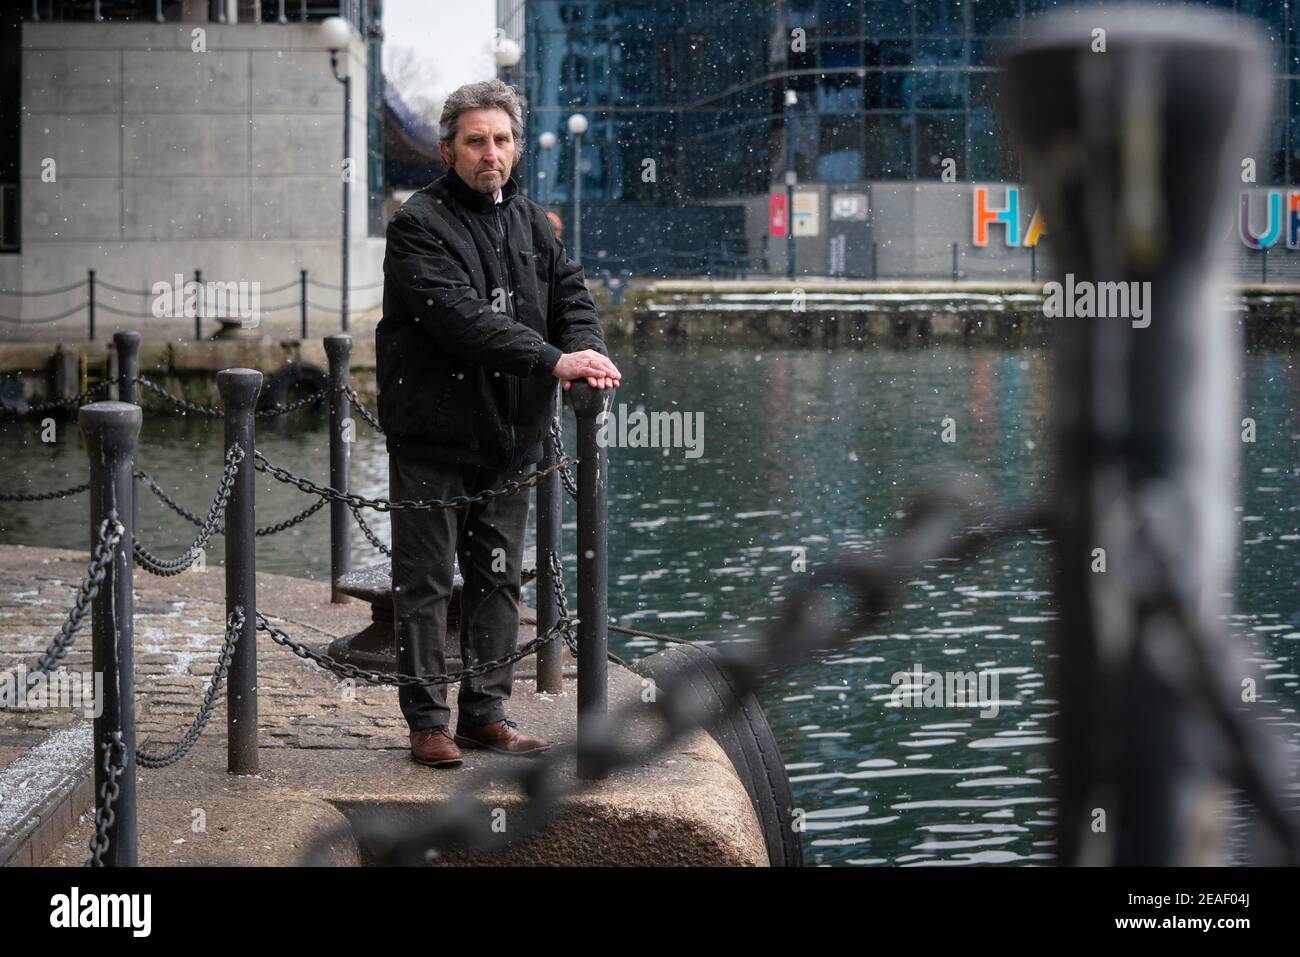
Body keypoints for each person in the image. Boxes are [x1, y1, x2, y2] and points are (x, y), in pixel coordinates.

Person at [376, 79, 622, 769]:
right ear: (448, 147)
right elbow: (460, 319)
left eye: (503, 140)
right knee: (424, 584)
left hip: (511, 435)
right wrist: (551, 358)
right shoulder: (417, 224)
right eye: (477, 140)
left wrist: (589, 350)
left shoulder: (531, 223)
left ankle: (484, 712)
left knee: (497, 579)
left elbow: (570, 294)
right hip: (434, 433)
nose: (492, 153)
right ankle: (428, 723)